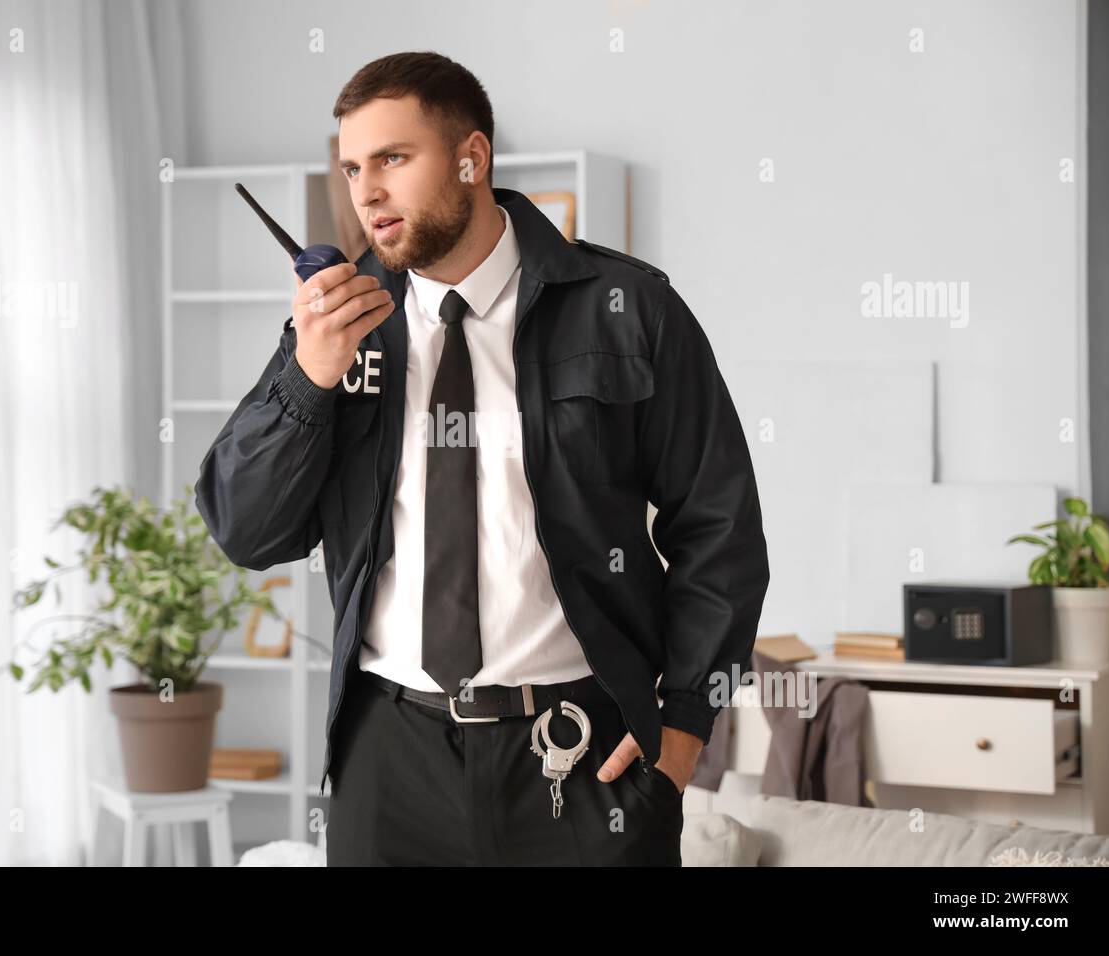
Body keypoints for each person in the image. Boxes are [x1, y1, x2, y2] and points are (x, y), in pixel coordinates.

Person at [194, 51, 770, 866]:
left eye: (393, 158)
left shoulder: (626, 309)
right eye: (354, 166)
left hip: (582, 753)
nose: (366, 191)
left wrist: (679, 737)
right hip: (387, 763)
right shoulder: (335, 331)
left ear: (472, 157)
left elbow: (722, 532)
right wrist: (305, 379)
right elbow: (245, 532)